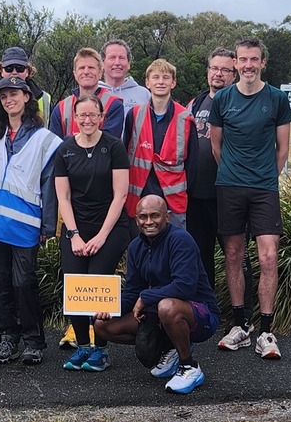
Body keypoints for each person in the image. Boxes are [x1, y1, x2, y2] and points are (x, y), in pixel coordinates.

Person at [209, 37, 291, 360]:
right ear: (235, 63)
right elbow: (216, 147)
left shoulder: (276, 99)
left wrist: (265, 177)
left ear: (262, 63)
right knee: (233, 254)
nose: (248, 65)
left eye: (254, 60)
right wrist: (234, 173)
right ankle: (240, 325)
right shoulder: (223, 99)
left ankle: (266, 331)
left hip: (264, 189)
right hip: (229, 186)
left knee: (268, 257)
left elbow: (282, 149)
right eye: (243, 59)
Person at [91, 195, 215, 394]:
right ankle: (171, 349)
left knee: (167, 306)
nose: (148, 222)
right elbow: (132, 291)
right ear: (136, 220)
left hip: (200, 314)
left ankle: (189, 367)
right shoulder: (135, 247)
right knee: (102, 325)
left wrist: (146, 297)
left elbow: (185, 287)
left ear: (167, 217)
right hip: (158, 312)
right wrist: (109, 308)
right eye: (143, 217)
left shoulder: (180, 240)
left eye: (155, 215)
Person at [0, 76, 63, 364]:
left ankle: (33, 340)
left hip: (26, 221)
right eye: (3, 96)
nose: (9, 100)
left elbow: (50, 184)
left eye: (14, 94)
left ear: (27, 97)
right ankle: (7, 338)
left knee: (23, 282)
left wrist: (48, 225)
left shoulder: (45, 139)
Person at [53, 93, 132, 372]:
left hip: (110, 226)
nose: (87, 120)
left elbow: (120, 195)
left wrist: (101, 236)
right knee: (75, 285)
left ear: (101, 117)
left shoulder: (113, 146)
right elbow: (63, 197)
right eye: (82, 115)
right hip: (76, 226)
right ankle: (83, 346)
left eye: (92, 115)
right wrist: (74, 234)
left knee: (98, 283)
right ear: (75, 118)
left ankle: (101, 349)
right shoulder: (65, 149)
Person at [125, 58, 196, 228]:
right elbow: (125, 155)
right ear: (147, 83)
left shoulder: (185, 118)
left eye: (166, 77)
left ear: (173, 83)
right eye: (155, 77)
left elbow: (192, 165)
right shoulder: (134, 115)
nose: (161, 82)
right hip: (139, 198)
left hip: (173, 201)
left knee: (174, 243)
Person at [184, 47, 235, 282]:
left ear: (234, 74)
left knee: (235, 255)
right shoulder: (196, 103)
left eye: (225, 70)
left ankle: (242, 306)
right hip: (196, 194)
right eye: (214, 68)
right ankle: (206, 303)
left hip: (226, 193)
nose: (218, 74)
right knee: (200, 256)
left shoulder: (237, 102)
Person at [53, 46, 128, 141]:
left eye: (91, 68)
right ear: (75, 74)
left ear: (100, 73)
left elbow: (107, 143)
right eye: (81, 68)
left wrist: (68, 140)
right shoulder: (61, 108)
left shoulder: (114, 105)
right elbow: (55, 145)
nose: (86, 72)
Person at [101, 38, 150, 115]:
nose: (117, 63)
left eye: (122, 58)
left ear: (129, 64)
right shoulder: (94, 93)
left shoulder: (144, 95)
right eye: (112, 58)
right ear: (102, 64)